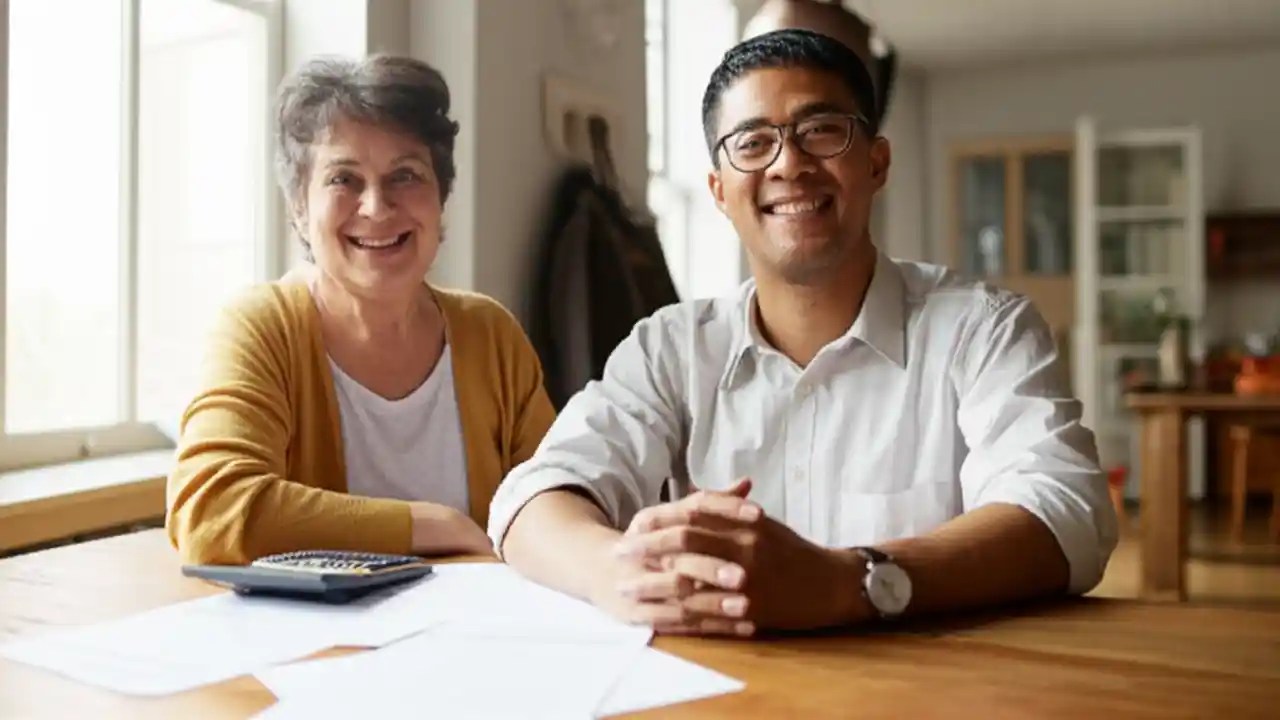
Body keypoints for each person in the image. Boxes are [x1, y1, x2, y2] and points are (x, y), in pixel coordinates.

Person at [488, 29, 1117, 637]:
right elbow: (533, 498)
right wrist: (614, 572)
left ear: (877, 163)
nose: (789, 162)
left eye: (821, 131)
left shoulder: (983, 330)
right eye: (753, 143)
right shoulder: (669, 350)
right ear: (718, 190)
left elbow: (1065, 511)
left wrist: (851, 581)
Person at [167, 56, 554, 565]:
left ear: (441, 201)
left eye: (406, 176)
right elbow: (213, 509)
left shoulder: (491, 334)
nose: (376, 206)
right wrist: (428, 524)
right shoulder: (261, 327)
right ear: (299, 211)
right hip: (317, 644)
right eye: (343, 179)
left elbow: (557, 497)